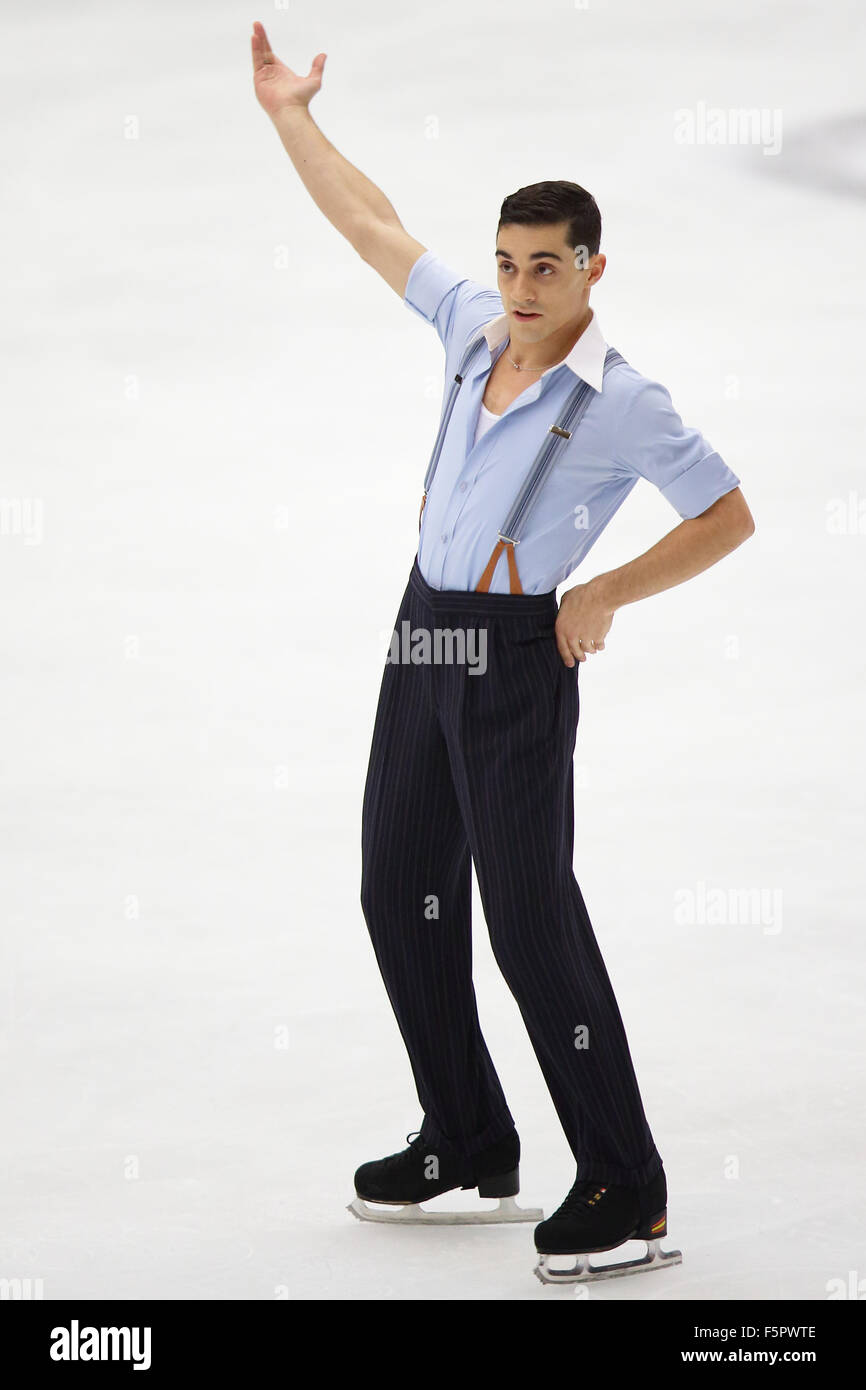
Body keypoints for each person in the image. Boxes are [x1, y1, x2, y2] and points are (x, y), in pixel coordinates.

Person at [251, 23, 755, 1283]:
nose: (521, 287)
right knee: (396, 885)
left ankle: (624, 1185)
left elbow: (726, 514)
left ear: (591, 270)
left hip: (514, 659)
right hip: (421, 629)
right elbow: (372, 225)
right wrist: (289, 118)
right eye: (508, 263)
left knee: (529, 917)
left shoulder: (620, 399)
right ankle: (467, 1133)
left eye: (546, 266)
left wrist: (605, 594)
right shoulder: (473, 328)